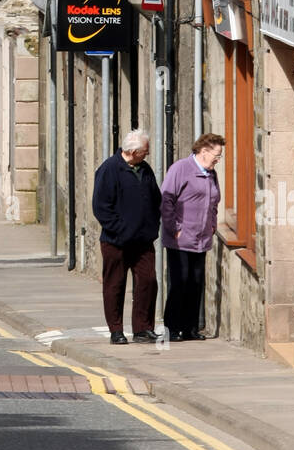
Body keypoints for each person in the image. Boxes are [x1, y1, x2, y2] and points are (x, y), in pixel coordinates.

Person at [92, 128, 162, 345]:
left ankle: (142, 329)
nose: (148, 154)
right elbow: (101, 207)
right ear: (132, 151)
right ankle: (116, 330)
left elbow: (155, 199)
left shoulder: (145, 169)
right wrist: (121, 230)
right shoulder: (109, 169)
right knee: (115, 284)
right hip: (116, 242)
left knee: (148, 281)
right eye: (145, 151)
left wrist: (153, 226)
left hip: (143, 240)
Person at [160, 132, 225, 342]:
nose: (218, 159)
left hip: (201, 239)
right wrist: (174, 228)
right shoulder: (181, 169)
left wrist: (213, 225)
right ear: (203, 151)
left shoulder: (211, 174)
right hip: (180, 239)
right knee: (180, 282)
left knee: (196, 283)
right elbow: (166, 200)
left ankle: (190, 328)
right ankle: (173, 328)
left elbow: (214, 202)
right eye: (216, 154)